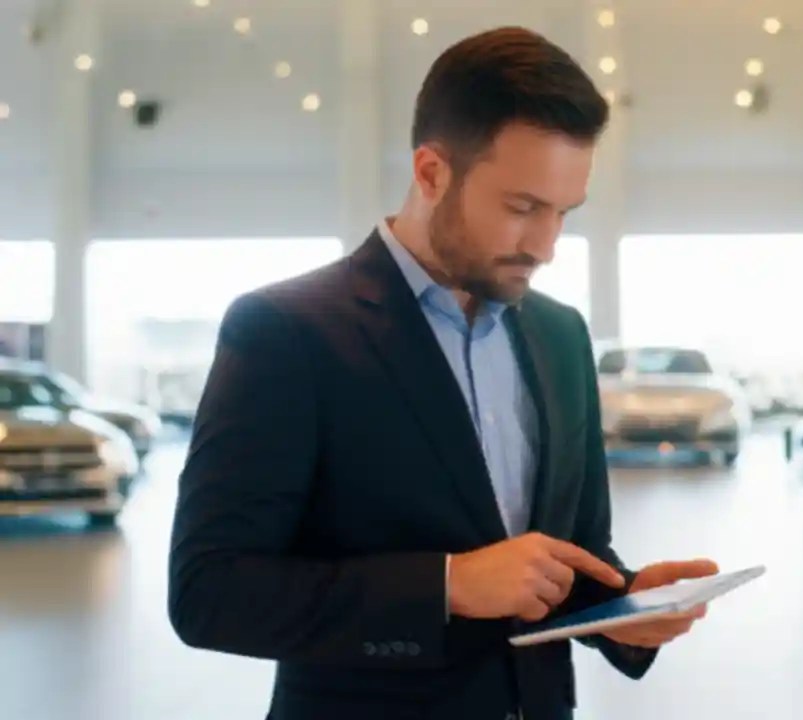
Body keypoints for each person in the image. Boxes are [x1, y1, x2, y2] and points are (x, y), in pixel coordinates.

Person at [167, 26, 718, 720]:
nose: (545, 246)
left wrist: (620, 604)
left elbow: (567, 550)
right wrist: (447, 585)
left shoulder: (560, 335)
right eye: (522, 208)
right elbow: (209, 592)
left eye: (562, 213)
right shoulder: (287, 332)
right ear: (431, 173)